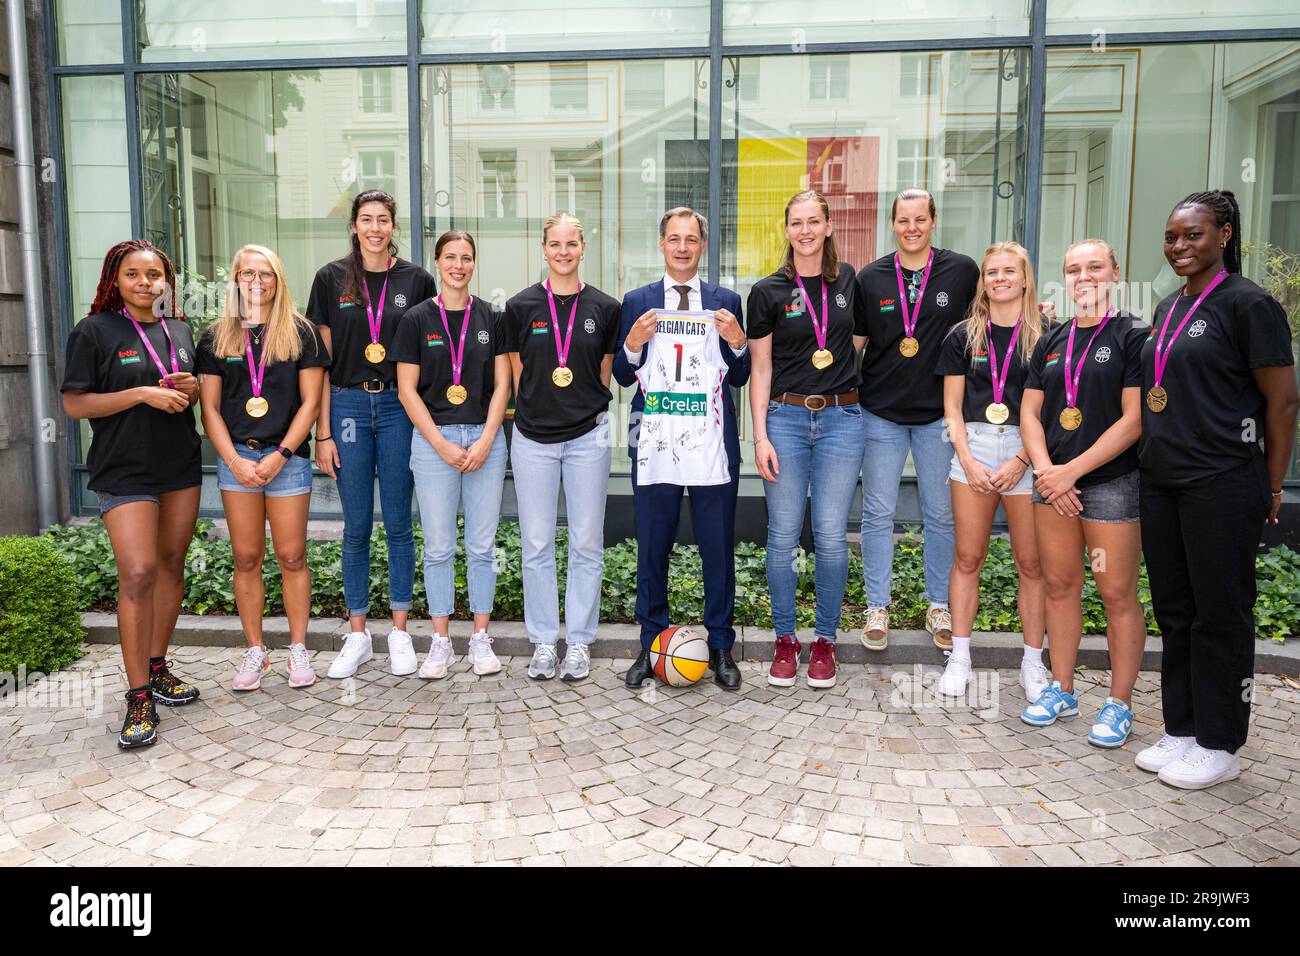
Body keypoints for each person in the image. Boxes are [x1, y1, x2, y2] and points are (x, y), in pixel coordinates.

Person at [1135, 190, 1298, 789]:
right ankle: (1182, 728)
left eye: (1193, 235)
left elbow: (1282, 401)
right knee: (1177, 612)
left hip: (1223, 481)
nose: (1179, 246)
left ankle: (1221, 741)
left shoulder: (1248, 304)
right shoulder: (1168, 306)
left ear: (1224, 234)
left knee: (1221, 614)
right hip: (1164, 481)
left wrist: (1272, 482)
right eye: (1172, 236)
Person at [61, 239, 202, 749]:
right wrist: (141, 393)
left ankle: (158, 665)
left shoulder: (180, 329)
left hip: (180, 465)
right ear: (114, 281)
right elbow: (76, 405)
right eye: (133, 275)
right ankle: (138, 695)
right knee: (138, 572)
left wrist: (190, 389)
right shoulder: (93, 331)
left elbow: (193, 392)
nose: (145, 283)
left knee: (170, 565)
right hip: (124, 470)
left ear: (167, 281)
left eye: (155, 275)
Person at [1019, 239, 1147, 748]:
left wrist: (1071, 471)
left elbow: (1135, 420)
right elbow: (1030, 413)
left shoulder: (1134, 335)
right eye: (1073, 269)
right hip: (1053, 485)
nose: (1083, 276)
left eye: (1094, 267)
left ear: (1115, 273)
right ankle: (1063, 688)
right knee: (1060, 586)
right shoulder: (1051, 341)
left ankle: (1120, 703)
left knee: (1116, 594)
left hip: (1109, 483)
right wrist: (1049, 471)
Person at [615, 207, 749, 692]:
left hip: (712, 445)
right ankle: (652, 643)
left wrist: (738, 342)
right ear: (662, 244)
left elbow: (739, 375)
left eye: (691, 239)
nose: (683, 247)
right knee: (653, 547)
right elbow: (622, 374)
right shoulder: (638, 301)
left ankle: (720, 646)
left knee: (717, 548)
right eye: (674, 238)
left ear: (703, 246)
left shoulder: (726, 301)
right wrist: (632, 344)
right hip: (654, 445)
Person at [307, 189, 436, 680]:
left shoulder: (416, 279)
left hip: (400, 404)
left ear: (393, 225)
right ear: (355, 226)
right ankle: (358, 633)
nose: (375, 228)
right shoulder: (330, 278)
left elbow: (428, 351)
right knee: (357, 525)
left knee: (400, 523)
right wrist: (322, 433)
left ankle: (399, 631)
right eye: (366, 220)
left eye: (383, 220)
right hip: (348, 404)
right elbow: (319, 363)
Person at [748, 190, 868, 690]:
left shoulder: (849, 283)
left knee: (831, 536)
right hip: (786, 419)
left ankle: (823, 642)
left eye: (813, 221)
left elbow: (854, 344)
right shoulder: (769, 291)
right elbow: (761, 366)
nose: (805, 231)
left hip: (843, 419)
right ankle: (784, 640)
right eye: (796, 222)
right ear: (787, 229)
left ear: (828, 226)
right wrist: (758, 436)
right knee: (782, 536)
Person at [197, 245, 329, 691]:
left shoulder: (301, 333)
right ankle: (256, 650)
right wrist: (234, 460)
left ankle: (296, 648)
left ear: (278, 279)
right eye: (248, 273)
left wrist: (282, 454)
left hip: (286, 460)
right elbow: (210, 410)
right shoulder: (216, 337)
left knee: (292, 556)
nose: (257, 281)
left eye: (266, 273)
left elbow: (311, 402)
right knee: (246, 557)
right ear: (235, 279)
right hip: (237, 460)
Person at [855, 188, 979, 651]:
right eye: (903, 220)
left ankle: (939, 605)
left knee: (940, 514)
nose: (912, 228)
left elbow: (984, 325)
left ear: (933, 221)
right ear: (893, 224)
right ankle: (877, 606)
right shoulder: (871, 278)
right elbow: (857, 344)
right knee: (877, 512)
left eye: (919, 219)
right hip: (880, 412)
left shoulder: (962, 270)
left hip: (938, 416)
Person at [503, 212, 620, 682]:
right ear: (543, 247)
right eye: (556, 244)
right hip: (532, 439)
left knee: (587, 543)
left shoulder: (605, 308)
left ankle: (579, 642)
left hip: (588, 438)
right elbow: (517, 375)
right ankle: (543, 641)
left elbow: (604, 374)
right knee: (535, 544)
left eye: (572, 243)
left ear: (583, 246)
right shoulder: (519, 307)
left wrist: (577, 408)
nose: (564, 252)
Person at [934, 242, 1048, 699]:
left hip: (1029, 450)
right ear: (982, 281)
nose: (999, 278)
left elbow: (1053, 407)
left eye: (1008, 271)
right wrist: (967, 460)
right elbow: (952, 408)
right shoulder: (963, 335)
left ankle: (1032, 663)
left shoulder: (1047, 335)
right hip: (975, 449)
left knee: (1031, 563)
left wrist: (1022, 459)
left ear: (1024, 279)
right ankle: (960, 657)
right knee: (968, 558)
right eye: (991, 272)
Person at [394, 230, 510, 680]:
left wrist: (484, 439)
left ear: (473, 264)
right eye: (450, 257)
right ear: (438, 263)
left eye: (466, 258)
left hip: (485, 437)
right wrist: (440, 442)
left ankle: (480, 638)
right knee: (439, 547)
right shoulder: (417, 319)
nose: (458, 265)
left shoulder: (492, 317)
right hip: (432, 440)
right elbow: (407, 389)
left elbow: (502, 384)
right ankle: (440, 641)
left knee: (481, 546)